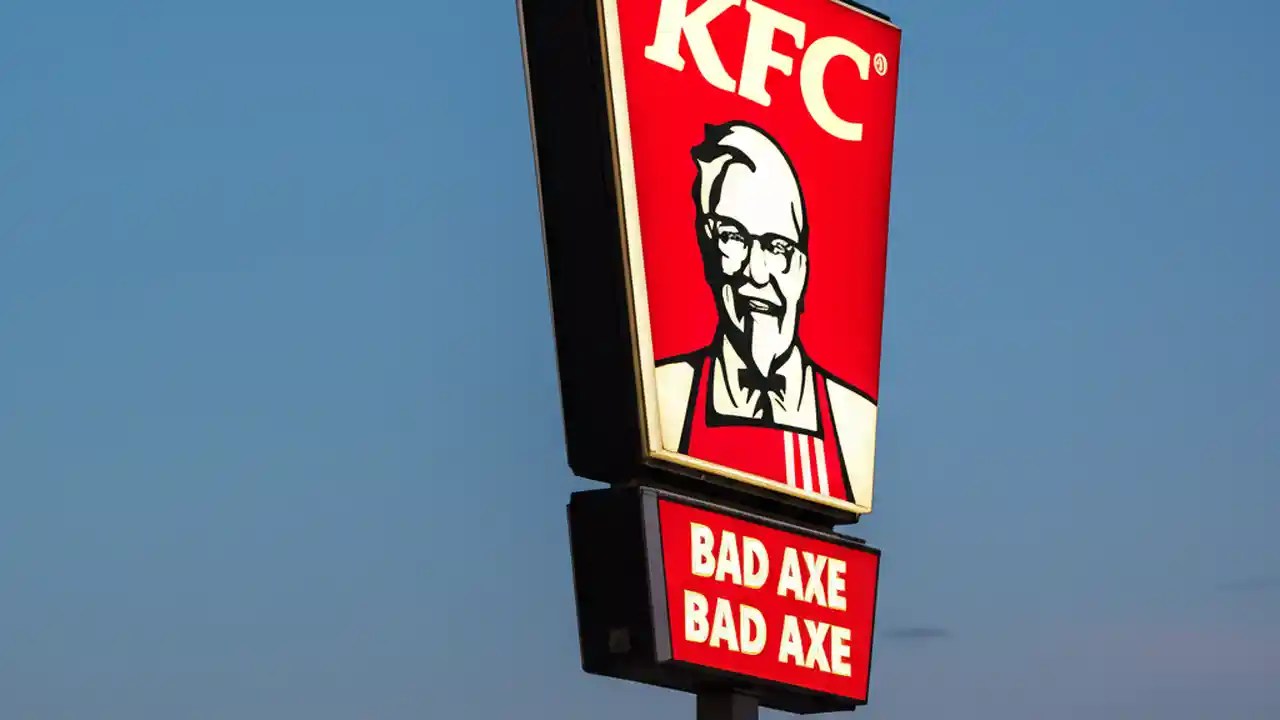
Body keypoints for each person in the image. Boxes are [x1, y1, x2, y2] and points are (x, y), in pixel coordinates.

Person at [655, 121, 877, 505]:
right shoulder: (668, 396)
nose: (756, 274)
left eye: (777, 247)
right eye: (733, 238)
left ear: (802, 269)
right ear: (708, 250)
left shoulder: (851, 418)